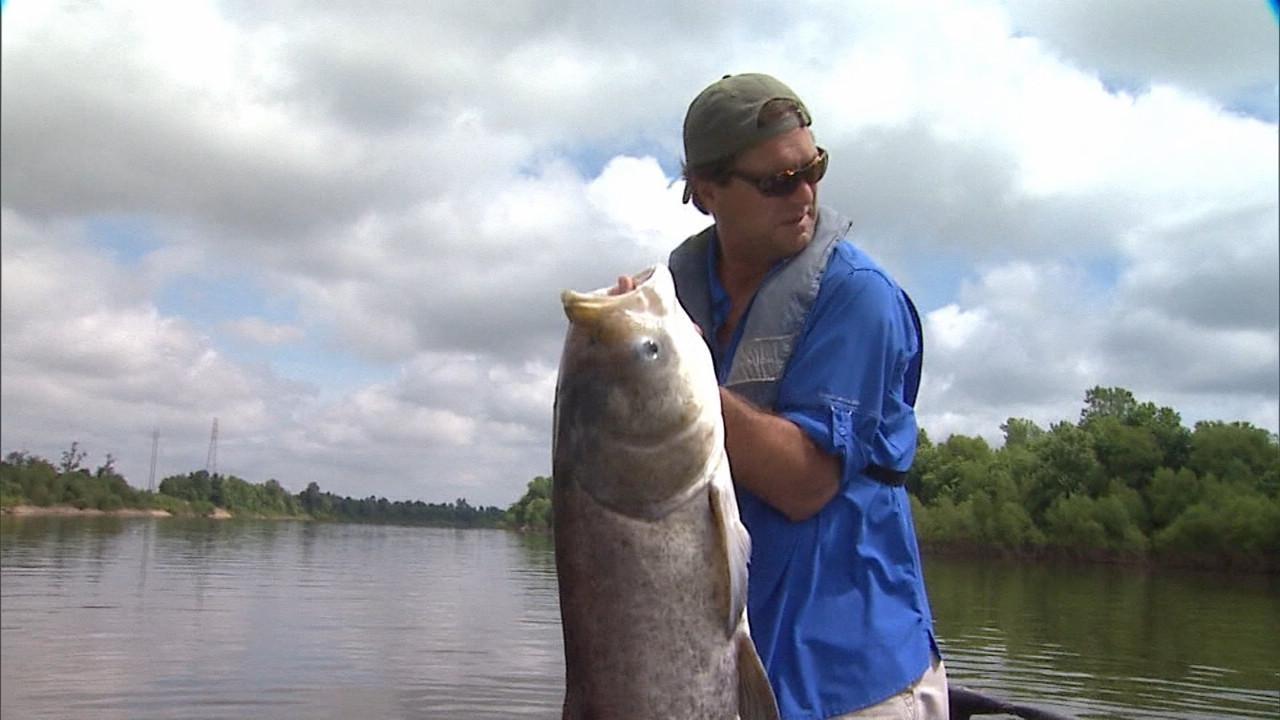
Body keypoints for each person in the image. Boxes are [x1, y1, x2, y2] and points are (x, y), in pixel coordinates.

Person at [668, 73, 947, 720]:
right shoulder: (677, 297)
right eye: (776, 180)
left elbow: (803, 482)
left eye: (812, 168)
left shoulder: (859, 297)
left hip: (851, 683)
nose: (805, 194)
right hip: (728, 679)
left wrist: (665, 377)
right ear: (708, 192)